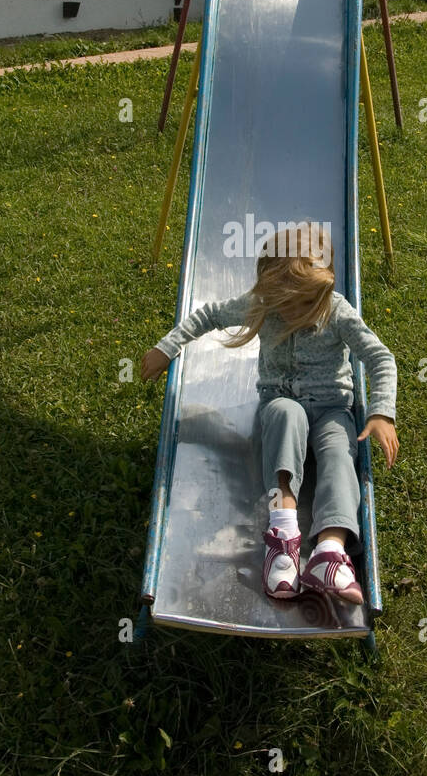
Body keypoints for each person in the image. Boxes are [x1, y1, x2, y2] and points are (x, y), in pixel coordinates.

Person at [140, 221, 398, 604]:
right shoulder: (264, 305)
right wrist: (167, 347)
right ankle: (283, 536)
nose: (295, 312)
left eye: (306, 302)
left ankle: (329, 550)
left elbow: (380, 357)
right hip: (281, 402)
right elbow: (209, 314)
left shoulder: (336, 310)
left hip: (331, 408)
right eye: (286, 303)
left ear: (322, 289)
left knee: (339, 455)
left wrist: (381, 412)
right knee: (285, 415)